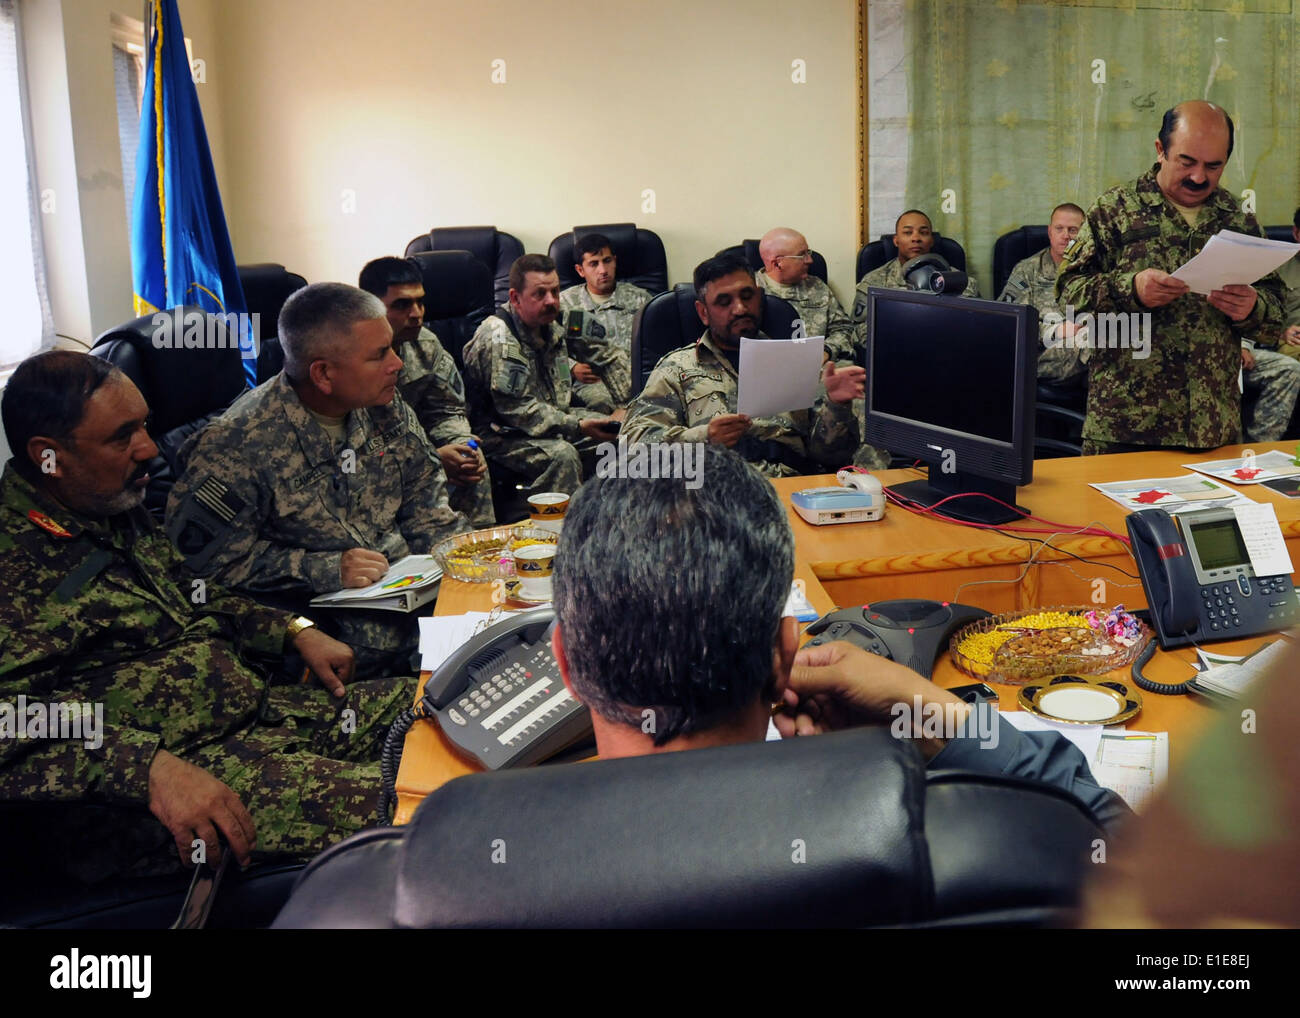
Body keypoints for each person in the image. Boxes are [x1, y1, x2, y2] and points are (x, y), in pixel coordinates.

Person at [549, 444, 1129, 833]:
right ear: (785, 657)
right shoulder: (921, 853)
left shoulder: (481, 870)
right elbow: (1116, 839)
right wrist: (943, 720)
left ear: (566, 664)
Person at [0, 351, 409, 884]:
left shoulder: (107, 505)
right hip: (182, 784)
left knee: (441, 705)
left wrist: (292, 629)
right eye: (122, 436)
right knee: (418, 808)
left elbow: (192, 595)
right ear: (49, 455)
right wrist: (148, 768)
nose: (149, 449)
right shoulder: (13, 558)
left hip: (265, 716)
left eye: (144, 425)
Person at [166, 282, 468, 679]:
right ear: (324, 374)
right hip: (336, 633)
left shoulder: (381, 403)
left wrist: (468, 571)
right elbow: (197, 572)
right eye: (380, 355)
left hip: (414, 595)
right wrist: (322, 568)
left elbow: (426, 502)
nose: (398, 364)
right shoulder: (236, 445)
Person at [1057, 100, 1286, 454]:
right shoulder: (1114, 210)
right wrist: (1130, 289)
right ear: (1161, 150)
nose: (1199, 177)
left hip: (1214, 430)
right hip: (1127, 430)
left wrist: (1252, 306)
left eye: (1214, 166)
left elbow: (1276, 310)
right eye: (1187, 161)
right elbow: (1068, 294)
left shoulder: (1238, 218)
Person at [621, 254, 863, 477]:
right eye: (724, 302)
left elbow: (833, 456)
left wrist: (838, 406)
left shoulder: (794, 359)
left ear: (759, 297)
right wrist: (704, 438)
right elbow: (632, 449)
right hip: (713, 495)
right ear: (703, 312)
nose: (740, 309)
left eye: (747, 296)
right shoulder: (676, 368)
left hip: (791, 491)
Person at [461, 254, 622, 501]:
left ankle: (607, 519)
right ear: (515, 298)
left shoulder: (558, 316)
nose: (551, 301)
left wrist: (627, 406)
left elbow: (608, 356)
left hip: (555, 416)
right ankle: (560, 532)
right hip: (502, 434)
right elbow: (520, 411)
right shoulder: (499, 338)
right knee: (562, 455)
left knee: (619, 436)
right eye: (540, 294)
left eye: (556, 291)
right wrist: (577, 426)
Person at [358, 256, 494, 527]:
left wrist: (458, 443)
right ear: (369, 306)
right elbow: (356, 444)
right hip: (370, 464)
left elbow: (447, 409)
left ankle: (482, 544)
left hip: (418, 446)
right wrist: (430, 458)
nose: (417, 313)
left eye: (420, 302)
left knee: (469, 460)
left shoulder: (425, 344)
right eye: (402, 305)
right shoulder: (353, 360)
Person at [557, 232, 652, 408]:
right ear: (580, 270)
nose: (602, 270)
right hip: (592, 383)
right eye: (594, 264)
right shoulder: (565, 304)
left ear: (615, 261)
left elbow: (656, 347)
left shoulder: (640, 300)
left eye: (607, 261)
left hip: (634, 381)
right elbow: (547, 351)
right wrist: (571, 368)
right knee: (601, 405)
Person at [998, 202, 1088, 385]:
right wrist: (1056, 331)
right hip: (1041, 357)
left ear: (1084, 234)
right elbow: (1007, 324)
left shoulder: (1095, 267)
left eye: (1073, 230)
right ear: (1049, 232)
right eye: (1059, 229)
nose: (1065, 236)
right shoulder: (1027, 271)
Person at [755, 227, 857, 363]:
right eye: (802, 255)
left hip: (821, 369)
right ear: (778, 263)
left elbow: (844, 328)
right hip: (770, 369)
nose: (810, 260)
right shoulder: (750, 293)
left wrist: (827, 351)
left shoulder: (817, 287)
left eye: (808, 253)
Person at [854, 209, 982, 307]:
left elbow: (978, 323)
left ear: (931, 241)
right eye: (908, 232)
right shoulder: (873, 283)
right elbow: (860, 330)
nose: (916, 238)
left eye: (924, 232)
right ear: (896, 240)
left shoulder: (964, 283)